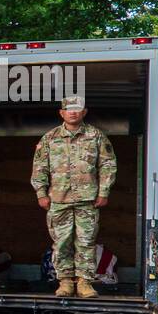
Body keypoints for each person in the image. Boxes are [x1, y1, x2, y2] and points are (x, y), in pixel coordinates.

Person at [32, 95, 117, 298]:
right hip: (58, 199)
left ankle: (85, 282)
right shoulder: (50, 138)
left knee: (86, 241)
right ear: (61, 113)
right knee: (61, 242)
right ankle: (65, 282)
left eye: (77, 109)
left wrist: (104, 191)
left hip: (87, 199)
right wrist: (41, 193)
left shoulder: (96, 136)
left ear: (84, 112)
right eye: (68, 109)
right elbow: (40, 168)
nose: (73, 112)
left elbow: (107, 165)